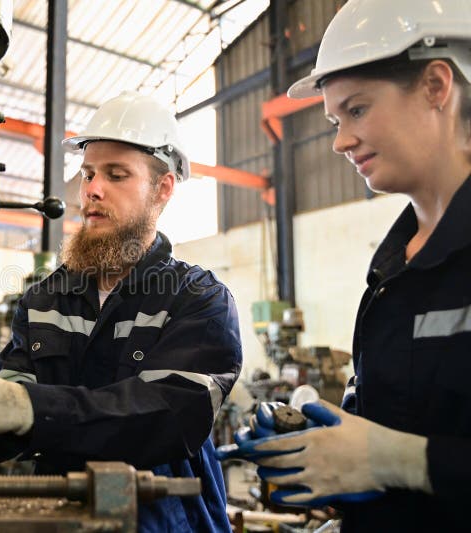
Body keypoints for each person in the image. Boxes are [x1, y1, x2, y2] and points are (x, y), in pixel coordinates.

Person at [0, 91, 243, 532]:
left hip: (167, 521)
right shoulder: (46, 298)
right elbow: (9, 411)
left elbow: (168, 417)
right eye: (88, 173)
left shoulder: (198, 299)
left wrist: (14, 405)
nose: (92, 190)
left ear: (162, 189)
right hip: (58, 516)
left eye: (116, 175)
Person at [219, 1, 471, 531]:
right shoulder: (390, 273)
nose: (339, 141)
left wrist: (399, 460)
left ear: (436, 86)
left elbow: (399, 452)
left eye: (356, 110)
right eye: (335, 120)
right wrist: (328, 451)